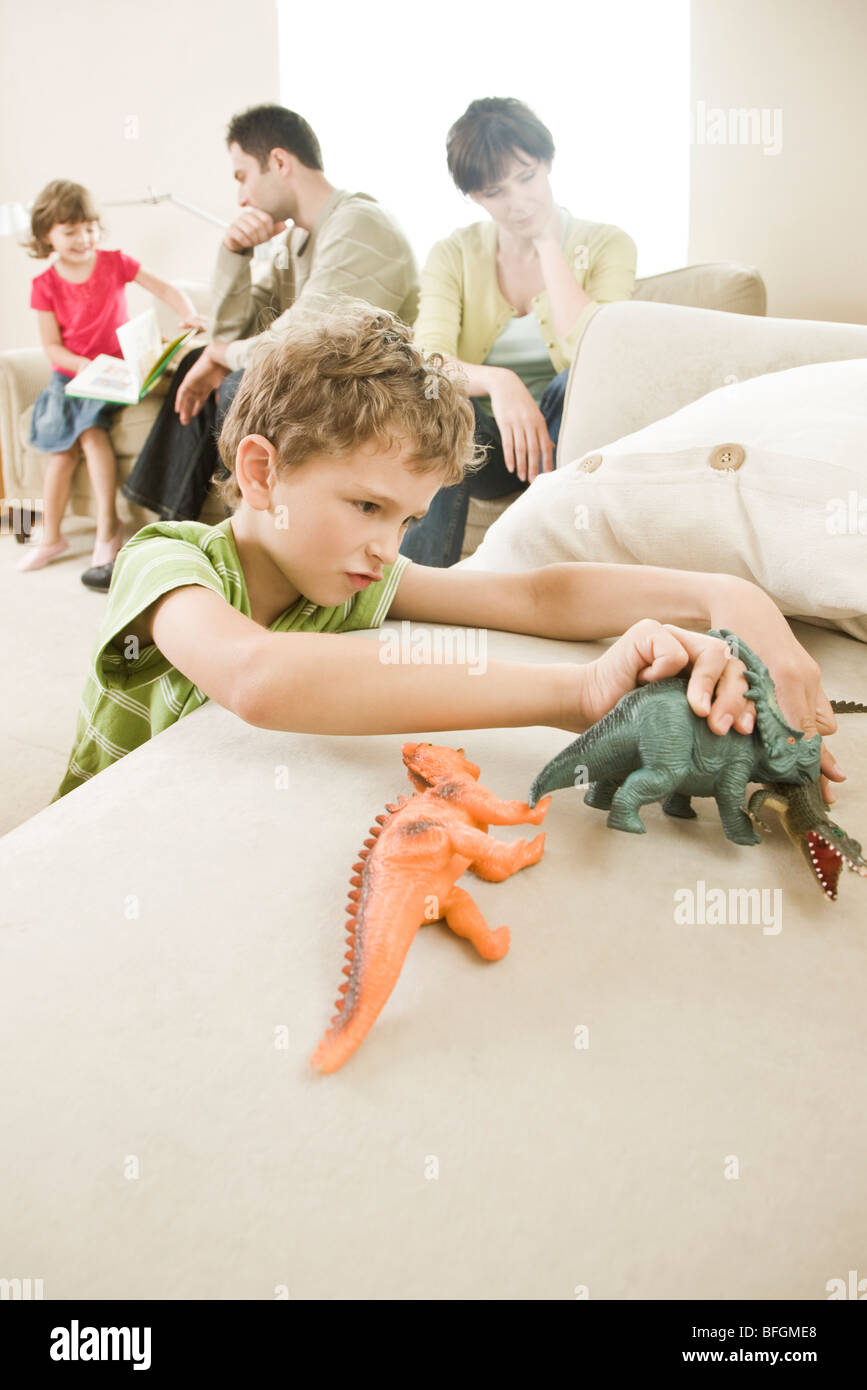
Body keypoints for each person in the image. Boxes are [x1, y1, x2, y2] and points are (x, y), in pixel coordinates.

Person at [52, 301, 845, 808]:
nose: (384, 548)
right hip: (93, 850)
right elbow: (259, 678)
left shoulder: (353, 580)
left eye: (404, 521)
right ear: (262, 472)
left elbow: (537, 598)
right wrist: (575, 694)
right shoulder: (167, 562)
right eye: (365, 505)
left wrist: (727, 597)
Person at [121, 103, 419, 522]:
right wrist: (234, 254)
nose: (241, 197)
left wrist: (220, 356)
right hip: (323, 381)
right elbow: (230, 331)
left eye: (242, 177)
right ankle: (173, 530)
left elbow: (305, 341)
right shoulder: (294, 241)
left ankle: (246, 542)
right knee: (200, 360)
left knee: (241, 381)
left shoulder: (360, 225)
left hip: (370, 391)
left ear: (279, 161)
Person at [404, 96, 638, 567]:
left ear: (548, 163)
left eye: (527, 177)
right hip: (482, 444)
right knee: (442, 405)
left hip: (565, 433)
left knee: (577, 381)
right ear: (475, 197)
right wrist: (499, 382)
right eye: (496, 193)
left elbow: (603, 356)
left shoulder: (608, 243)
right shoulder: (454, 253)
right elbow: (426, 363)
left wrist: (549, 245)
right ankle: (415, 593)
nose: (519, 202)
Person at [19, 179, 206, 589]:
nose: (83, 238)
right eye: (70, 231)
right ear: (46, 234)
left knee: (90, 434)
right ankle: (50, 536)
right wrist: (83, 364)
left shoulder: (115, 262)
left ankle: (108, 529)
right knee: (59, 454)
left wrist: (188, 313)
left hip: (113, 376)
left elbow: (165, 289)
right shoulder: (44, 286)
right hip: (71, 378)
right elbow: (52, 347)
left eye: (89, 228)